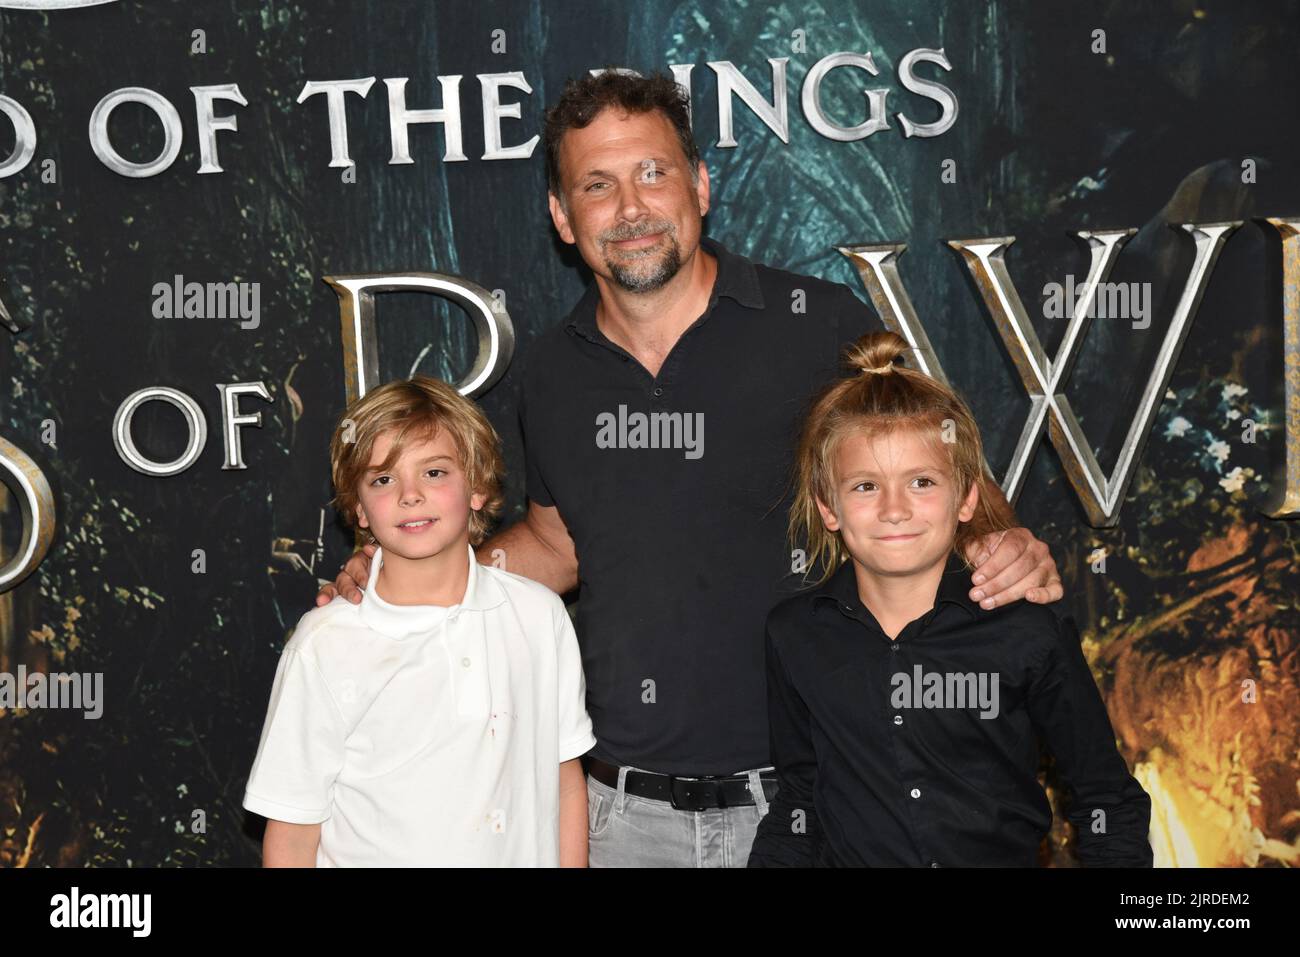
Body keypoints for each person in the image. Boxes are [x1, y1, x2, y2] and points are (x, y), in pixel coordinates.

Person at [317, 71, 1065, 867]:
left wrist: (1005, 539)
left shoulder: (818, 327)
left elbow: (937, 466)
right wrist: (407, 575)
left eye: (652, 173)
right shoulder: (550, 374)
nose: (630, 208)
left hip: (816, 806)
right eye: (596, 186)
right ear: (562, 219)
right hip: (616, 817)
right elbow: (558, 542)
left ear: (700, 186)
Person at [747, 331, 1153, 867]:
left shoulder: (1027, 630)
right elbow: (801, 801)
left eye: (921, 482)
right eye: (865, 486)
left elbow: (1106, 800)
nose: (894, 509)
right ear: (829, 508)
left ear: (965, 499)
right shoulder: (796, 635)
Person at [244, 375, 595, 866]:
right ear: (358, 508)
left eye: (433, 473)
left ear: (475, 487)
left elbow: (563, 779)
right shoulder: (324, 644)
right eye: (383, 479)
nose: (410, 495)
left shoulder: (540, 617)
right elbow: (292, 833)